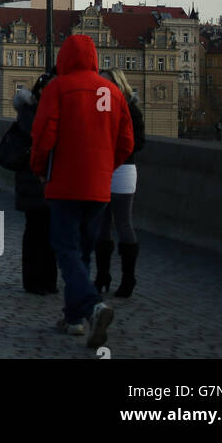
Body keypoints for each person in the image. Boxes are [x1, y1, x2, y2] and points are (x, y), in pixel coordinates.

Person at [30, 34, 134, 348]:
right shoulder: (113, 92)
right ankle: (74, 319)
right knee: (84, 252)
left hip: (65, 183)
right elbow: (126, 142)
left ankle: (92, 307)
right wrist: (106, 167)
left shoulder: (58, 88)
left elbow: (44, 134)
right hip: (99, 187)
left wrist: (38, 168)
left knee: (66, 249)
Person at [1, 73, 57, 295]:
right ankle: (39, 281)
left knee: (38, 232)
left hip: (33, 180)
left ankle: (40, 280)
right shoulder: (35, 114)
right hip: (34, 180)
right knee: (39, 233)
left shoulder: (27, 112)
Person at [94, 68, 146, 298]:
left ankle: (128, 278)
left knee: (123, 222)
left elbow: (139, 143)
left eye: (106, 83)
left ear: (119, 84)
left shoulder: (131, 109)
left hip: (123, 169)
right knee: (102, 224)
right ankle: (102, 276)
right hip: (102, 168)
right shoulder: (98, 106)